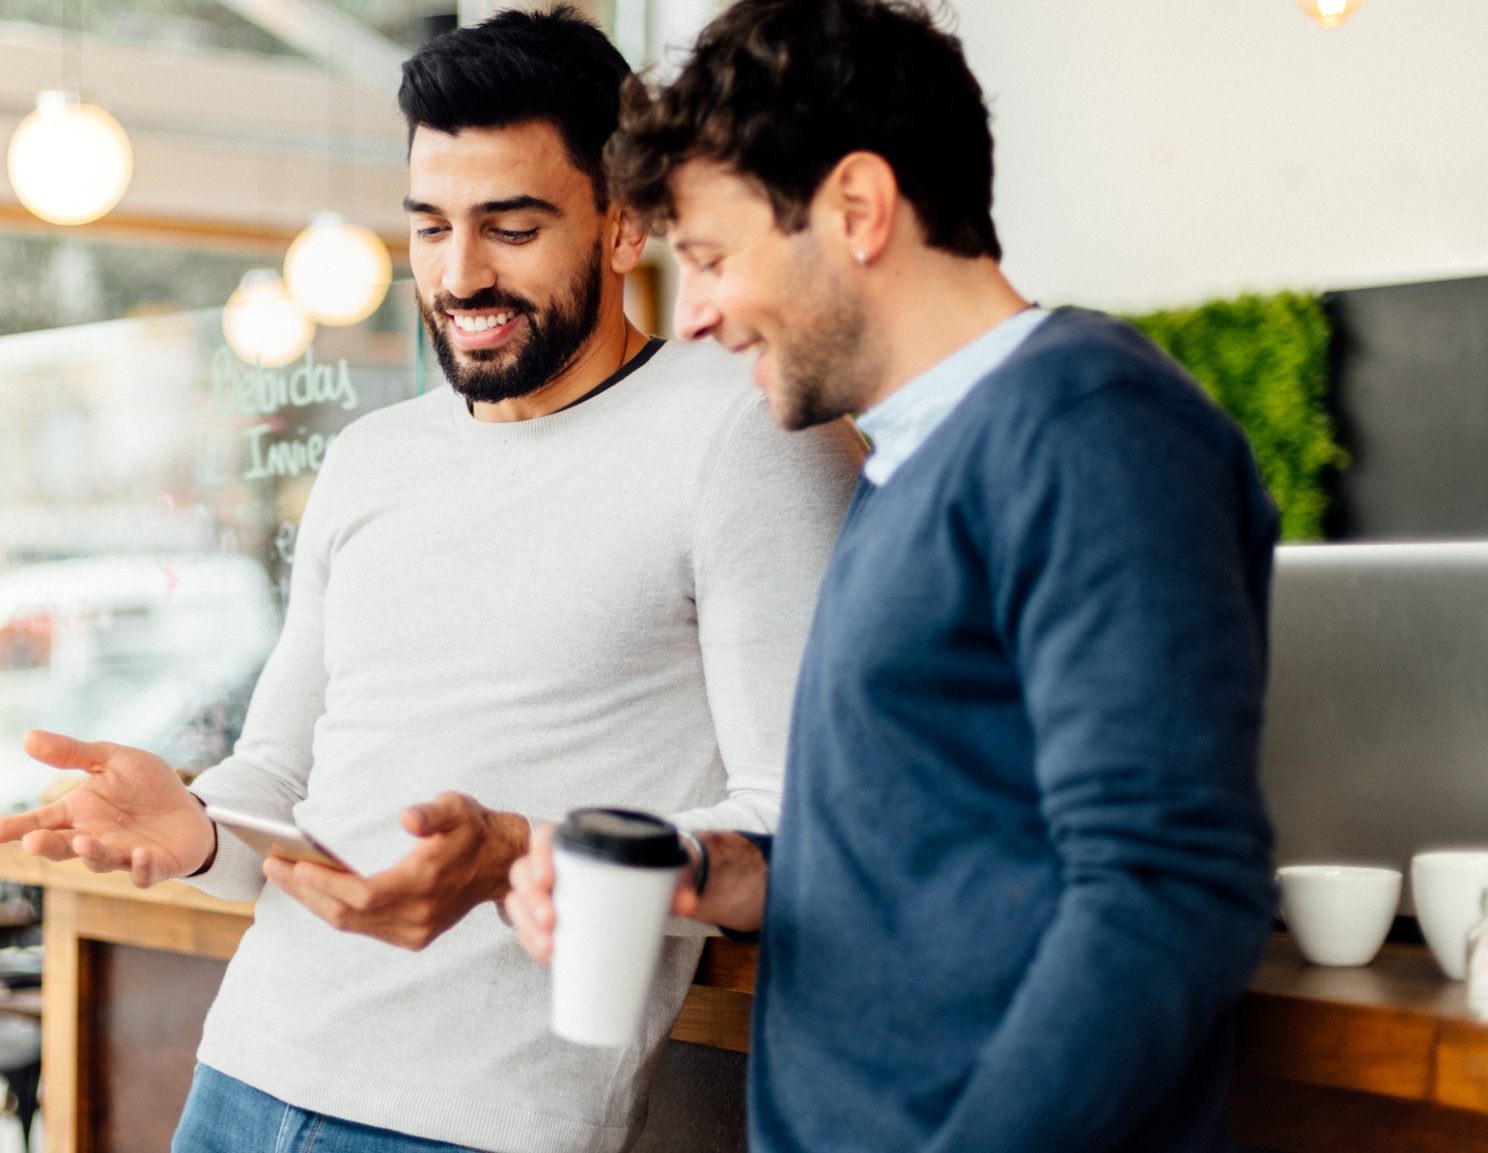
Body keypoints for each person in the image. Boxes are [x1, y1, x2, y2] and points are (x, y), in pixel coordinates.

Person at [0, 8, 864, 1152]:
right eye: (429, 226)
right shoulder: (372, 456)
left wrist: (516, 850)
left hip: (478, 1122)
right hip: (241, 1071)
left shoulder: (745, 431)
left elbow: (795, 820)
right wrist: (196, 826)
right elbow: (285, 776)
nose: (459, 274)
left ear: (622, 221)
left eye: (510, 225)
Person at [506, 1, 1281, 1150]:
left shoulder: (1089, 428)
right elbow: (923, 851)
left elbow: (1165, 888)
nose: (701, 313)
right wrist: (709, 868)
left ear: (857, 209)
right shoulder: (903, 465)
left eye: (713, 259)